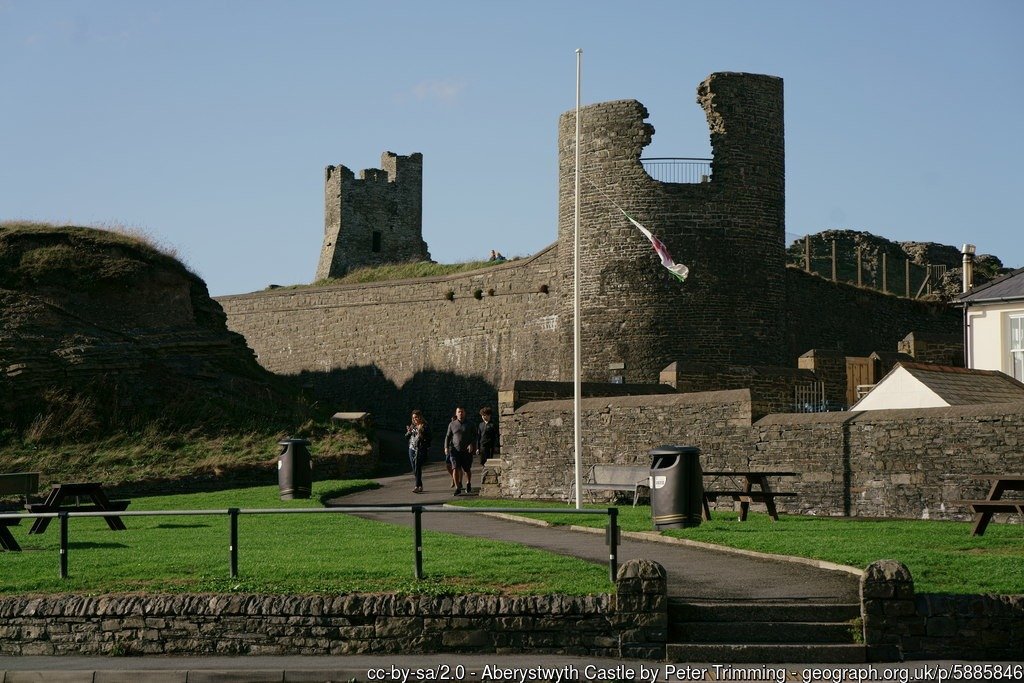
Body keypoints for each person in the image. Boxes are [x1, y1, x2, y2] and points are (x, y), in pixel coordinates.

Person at [444, 406, 477, 495]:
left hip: (466, 451)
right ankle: (457, 487)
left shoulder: (470, 424)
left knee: (467, 470)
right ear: (456, 413)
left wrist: (471, 444)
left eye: (462, 412)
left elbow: (475, 436)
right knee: (455, 468)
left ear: (464, 413)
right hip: (455, 450)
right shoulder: (452, 424)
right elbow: (448, 436)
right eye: (459, 412)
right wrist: (446, 447)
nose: (460, 413)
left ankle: (468, 483)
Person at [404, 410, 430, 493]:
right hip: (411, 448)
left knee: (417, 466)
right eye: (413, 417)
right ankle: (420, 485)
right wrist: (409, 431)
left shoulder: (425, 426)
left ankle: (416, 486)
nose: (414, 419)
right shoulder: (413, 426)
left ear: (420, 417)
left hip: (420, 449)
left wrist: (420, 433)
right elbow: (406, 437)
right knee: (414, 468)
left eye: (416, 417)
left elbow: (429, 438)